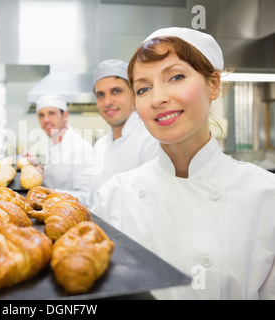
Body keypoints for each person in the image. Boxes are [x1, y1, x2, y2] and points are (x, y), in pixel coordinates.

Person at [92, 27, 275, 299]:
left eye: (176, 77)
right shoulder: (112, 198)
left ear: (213, 84)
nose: (158, 98)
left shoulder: (265, 197)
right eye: (143, 88)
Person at [89, 59, 159, 201]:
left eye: (116, 91)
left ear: (134, 95)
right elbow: (92, 200)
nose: (107, 102)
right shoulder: (100, 145)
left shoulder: (151, 140)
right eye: (100, 95)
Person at [25, 94, 93, 207]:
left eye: (51, 113)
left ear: (65, 116)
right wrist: (38, 166)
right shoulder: (51, 143)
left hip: (72, 215)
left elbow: (87, 197)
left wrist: (48, 195)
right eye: (41, 115)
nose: (45, 119)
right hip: (53, 208)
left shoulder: (80, 148)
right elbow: (57, 179)